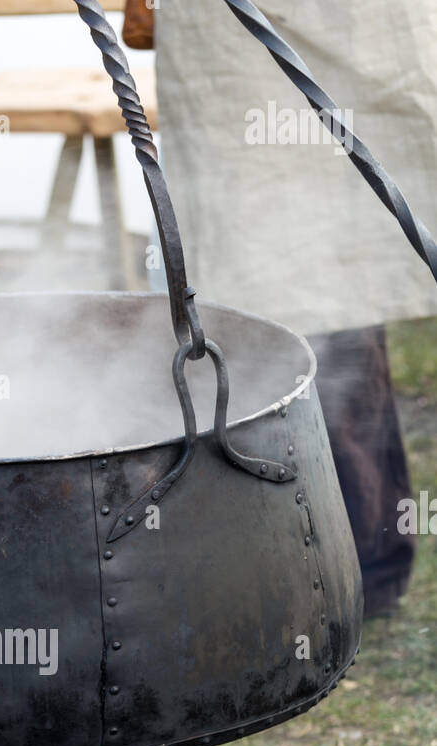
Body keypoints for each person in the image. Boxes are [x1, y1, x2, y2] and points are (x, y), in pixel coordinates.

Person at [153, 0, 437, 615]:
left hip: (355, 25)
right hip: (226, 46)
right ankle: (273, 558)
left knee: (341, 288)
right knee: (247, 285)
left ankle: (366, 560)